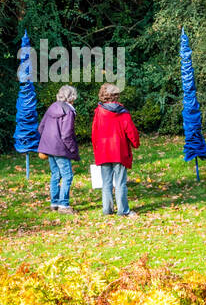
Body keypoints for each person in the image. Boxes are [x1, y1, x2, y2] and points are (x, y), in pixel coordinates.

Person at [91, 82, 140, 217]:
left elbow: (94, 132)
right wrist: (135, 143)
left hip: (103, 151)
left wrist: (96, 148)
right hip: (119, 151)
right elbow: (131, 130)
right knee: (120, 183)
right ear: (116, 96)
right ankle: (123, 210)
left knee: (106, 182)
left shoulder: (98, 112)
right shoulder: (122, 112)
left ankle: (107, 209)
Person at [36, 85, 80, 212]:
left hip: (49, 147)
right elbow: (66, 135)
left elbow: (41, 128)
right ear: (72, 97)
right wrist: (73, 150)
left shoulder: (52, 107)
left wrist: (46, 143)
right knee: (67, 175)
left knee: (55, 174)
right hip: (60, 147)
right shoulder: (69, 111)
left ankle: (54, 203)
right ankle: (63, 205)